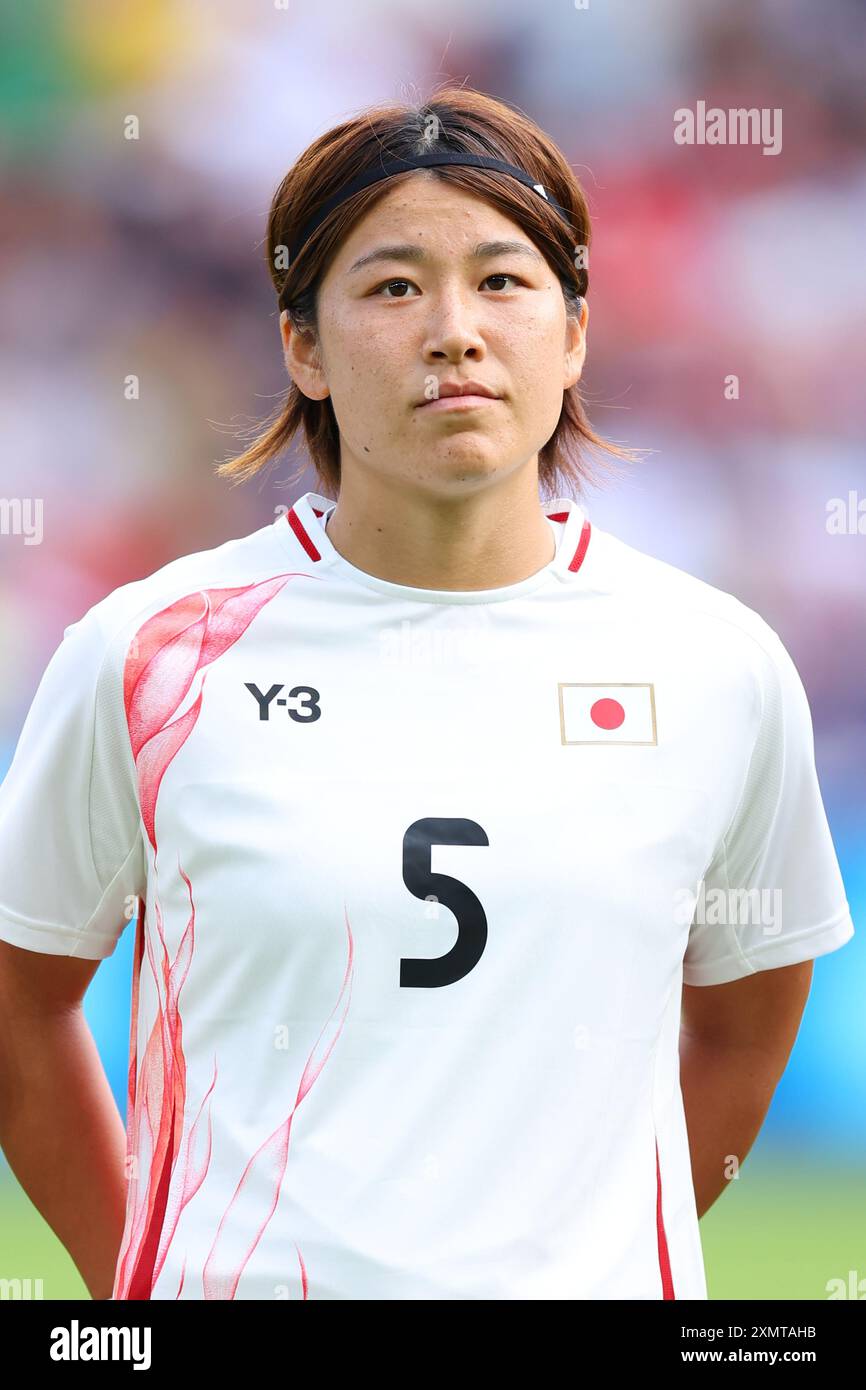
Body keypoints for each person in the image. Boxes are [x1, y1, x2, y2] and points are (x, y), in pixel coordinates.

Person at [0, 86, 855, 1301]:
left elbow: (741, 1021)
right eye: (393, 286)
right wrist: (140, 1275)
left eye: (502, 281)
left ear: (571, 332)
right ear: (302, 345)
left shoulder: (714, 663)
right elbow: (17, 1005)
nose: (453, 329)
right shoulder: (148, 653)